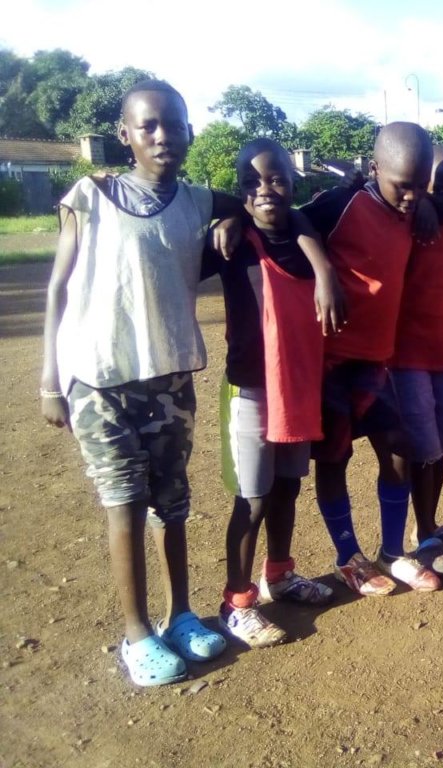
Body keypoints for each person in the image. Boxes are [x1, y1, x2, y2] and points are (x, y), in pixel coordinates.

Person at [39, 79, 237, 686]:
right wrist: (50, 380)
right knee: (123, 501)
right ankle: (137, 634)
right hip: (98, 378)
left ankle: (181, 616)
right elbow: (58, 287)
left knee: (171, 503)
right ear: (124, 135)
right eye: (147, 125)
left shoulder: (199, 202)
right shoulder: (92, 196)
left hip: (169, 376)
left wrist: (231, 222)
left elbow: (248, 202)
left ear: (190, 132)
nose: (161, 136)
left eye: (173, 124)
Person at [206, 138, 343, 647]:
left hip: (298, 383)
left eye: (276, 178)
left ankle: (280, 575)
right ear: (239, 189)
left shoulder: (308, 233)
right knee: (253, 498)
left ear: (293, 182)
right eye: (251, 182)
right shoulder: (233, 242)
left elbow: (344, 194)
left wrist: (324, 268)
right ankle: (237, 602)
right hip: (251, 389)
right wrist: (228, 214)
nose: (264, 189)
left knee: (287, 487)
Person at [301, 121, 440, 595]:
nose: (411, 196)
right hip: (331, 361)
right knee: (334, 459)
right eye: (403, 185)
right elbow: (294, 223)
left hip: (376, 362)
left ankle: (393, 552)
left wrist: (424, 203)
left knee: (398, 448)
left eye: (420, 185)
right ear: (376, 168)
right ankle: (349, 557)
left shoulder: (414, 209)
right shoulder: (343, 204)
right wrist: (323, 272)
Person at [389, 145, 443, 574]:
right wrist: (420, 204)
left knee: (441, 444)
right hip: (408, 355)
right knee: (422, 446)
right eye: (441, 189)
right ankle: (423, 536)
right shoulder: (409, 224)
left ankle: (430, 524)